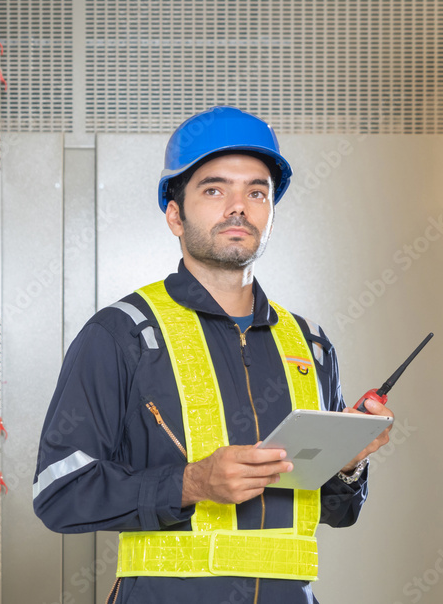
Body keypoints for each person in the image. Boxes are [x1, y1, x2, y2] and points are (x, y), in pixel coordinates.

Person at [32, 106, 395, 604]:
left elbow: (335, 510)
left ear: (271, 213)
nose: (239, 206)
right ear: (175, 213)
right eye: (214, 189)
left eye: (257, 191)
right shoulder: (122, 334)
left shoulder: (309, 344)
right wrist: (190, 483)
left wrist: (348, 465)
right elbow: (60, 492)